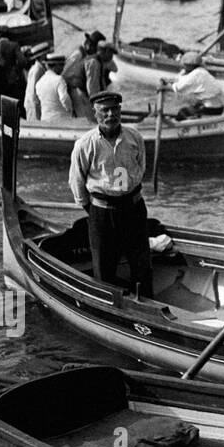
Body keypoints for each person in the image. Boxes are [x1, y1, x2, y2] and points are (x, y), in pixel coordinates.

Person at [68, 92, 152, 297]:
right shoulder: (85, 144)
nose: (110, 114)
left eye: (115, 109)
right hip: (102, 213)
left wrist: (126, 192)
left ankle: (147, 308)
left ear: (120, 110)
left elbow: (140, 168)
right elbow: (76, 180)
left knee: (141, 265)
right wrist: (92, 208)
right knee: (104, 269)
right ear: (95, 114)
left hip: (133, 208)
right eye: (104, 110)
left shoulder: (134, 137)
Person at [165, 51, 224, 120]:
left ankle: (181, 128)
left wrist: (167, 85)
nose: (183, 66)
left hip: (210, 108)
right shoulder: (202, 71)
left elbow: (179, 88)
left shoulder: (196, 74)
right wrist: (175, 78)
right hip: (218, 107)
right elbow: (181, 79)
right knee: (191, 107)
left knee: (183, 112)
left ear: (189, 65)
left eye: (185, 65)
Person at [62, 29, 104, 118]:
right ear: (89, 45)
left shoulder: (86, 56)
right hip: (73, 89)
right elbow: (64, 73)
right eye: (95, 48)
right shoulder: (78, 54)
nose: (95, 52)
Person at [34, 51, 73, 122]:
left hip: (45, 119)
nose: (63, 69)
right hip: (61, 119)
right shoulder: (59, 79)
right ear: (56, 66)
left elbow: (38, 103)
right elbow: (64, 98)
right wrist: (70, 110)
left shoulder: (39, 82)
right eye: (61, 66)